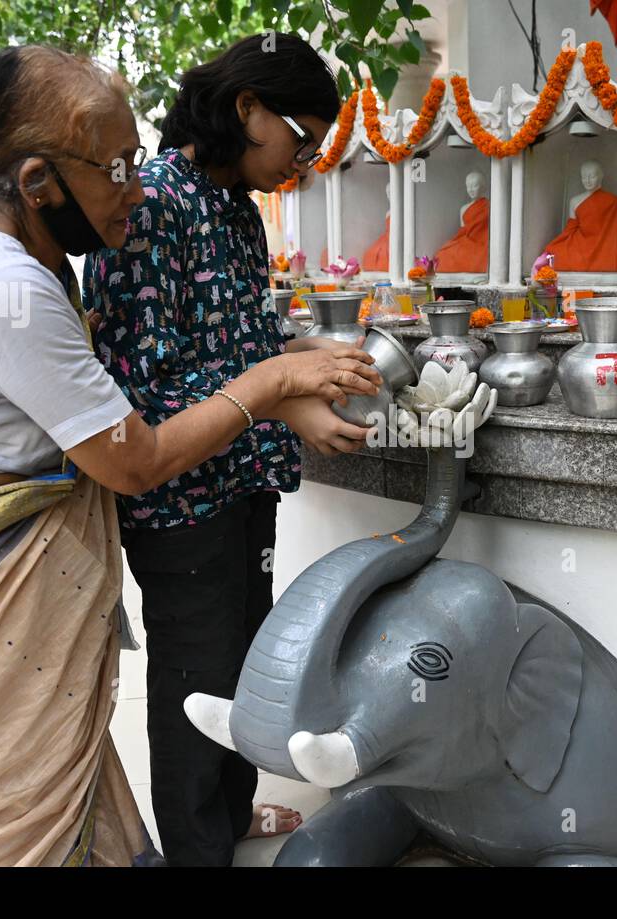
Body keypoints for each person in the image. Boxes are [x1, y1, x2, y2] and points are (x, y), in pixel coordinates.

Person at [0, 44, 379, 867]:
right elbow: (133, 440)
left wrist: (285, 365)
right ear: (36, 183)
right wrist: (274, 384)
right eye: (118, 167)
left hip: (106, 524)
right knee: (149, 701)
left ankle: (214, 822)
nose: (132, 185)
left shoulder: (21, 253)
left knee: (216, 669)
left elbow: (196, 354)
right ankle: (201, 843)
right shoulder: (19, 282)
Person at [83, 32, 365, 866]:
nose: (305, 161)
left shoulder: (238, 211)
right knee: (192, 677)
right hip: (178, 494)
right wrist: (284, 397)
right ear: (248, 109)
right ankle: (196, 847)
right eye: (301, 138)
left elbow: (240, 352)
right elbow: (139, 387)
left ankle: (229, 812)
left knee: (242, 661)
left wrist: (303, 386)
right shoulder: (153, 201)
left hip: (240, 483)